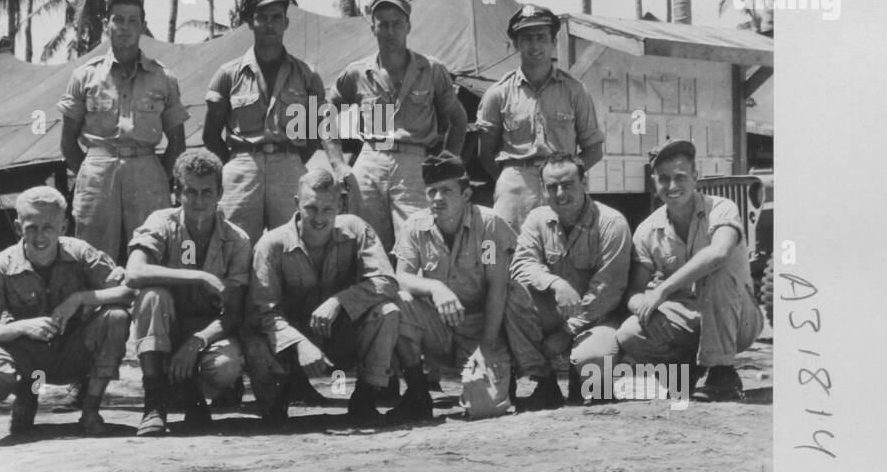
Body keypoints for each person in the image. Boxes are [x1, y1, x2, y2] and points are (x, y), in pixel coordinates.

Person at [0, 187, 132, 435]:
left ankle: (90, 409)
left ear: (63, 227)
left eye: (48, 227)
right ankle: (27, 396)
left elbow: (128, 292)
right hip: (31, 361)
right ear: (19, 227)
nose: (40, 236)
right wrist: (22, 327)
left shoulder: (81, 253)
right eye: (31, 227)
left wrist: (79, 299)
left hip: (76, 353)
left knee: (116, 316)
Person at [388, 153, 545, 422]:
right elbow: (400, 277)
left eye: (446, 191)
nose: (437, 198)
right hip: (439, 326)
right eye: (432, 191)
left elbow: (498, 289)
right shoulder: (415, 227)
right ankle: (416, 392)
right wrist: (436, 287)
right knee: (398, 302)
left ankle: (507, 378)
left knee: (483, 409)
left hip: (480, 330)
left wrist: (485, 346)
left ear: (466, 194)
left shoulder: (488, 225)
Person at [245, 167, 401, 425]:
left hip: (338, 337)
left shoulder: (356, 230)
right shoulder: (271, 245)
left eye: (328, 209)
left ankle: (365, 398)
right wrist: (300, 344)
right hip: (290, 346)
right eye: (311, 208)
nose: (319, 218)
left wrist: (339, 300)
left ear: (339, 205)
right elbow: (263, 313)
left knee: (387, 312)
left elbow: (387, 282)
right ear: (296, 203)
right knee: (254, 339)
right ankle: (278, 399)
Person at [614, 140, 764, 402]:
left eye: (680, 177)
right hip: (691, 318)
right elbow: (634, 292)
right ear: (654, 183)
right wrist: (646, 309)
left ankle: (722, 373)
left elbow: (718, 253)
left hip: (739, 317)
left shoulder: (721, 207)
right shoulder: (648, 230)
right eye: (664, 179)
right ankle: (687, 371)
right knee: (630, 332)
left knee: (713, 272)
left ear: (695, 177)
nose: (672, 186)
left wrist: (662, 290)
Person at [204, 0, 351, 244]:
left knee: (293, 243)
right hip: (242, 167)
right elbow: (211, 134)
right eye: (262, 17)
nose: (270, 24)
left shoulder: (306, 76)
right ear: (250, 21)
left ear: (286, 22)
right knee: (232, 244)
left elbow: (315, 131)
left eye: (276, 18)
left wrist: (291, 157)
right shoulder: (227, 75)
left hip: (289, 166)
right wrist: (237, 162)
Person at [122, 150, 252, 437]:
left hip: (207, 332)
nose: (199, 201)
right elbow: (134, 273)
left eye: (207, 192)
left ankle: (189, 390)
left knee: (225, 368)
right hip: (164, 327)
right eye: (190, 192)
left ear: (220, 193)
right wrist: (199, 275)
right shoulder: (162, 222)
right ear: (176, 192)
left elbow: (233, 313)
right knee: (152, 296)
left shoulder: (237, 240)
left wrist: (196, 342)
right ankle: (154, 403)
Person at [58, 0, 188, 263]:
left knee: (152, 252)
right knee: (93, 257)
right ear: (107, 24)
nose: (125, 27)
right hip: (97, 172)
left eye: (133, 20)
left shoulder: (163, 78)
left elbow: (178, 142)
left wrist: (157, 178)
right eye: (118, 19)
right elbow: (67, 142)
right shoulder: (84, 76)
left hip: (147, 173)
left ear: (142, 26)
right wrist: (91, 171)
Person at [328, 0, 468, 253]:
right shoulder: (358, 72)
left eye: (397, 24)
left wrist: (445, 165)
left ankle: (415, 293)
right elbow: (325, 111)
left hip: (414, 163)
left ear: (408, 27)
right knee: (366, 245)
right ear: (373, 29)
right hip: (370, 162)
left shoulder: (431, 69)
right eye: (383, 24)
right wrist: (337, 163)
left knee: (419, 243)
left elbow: (458, 121)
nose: (390, 31)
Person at [510, 153, 631, 406]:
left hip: (599, 318)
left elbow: (607, 291)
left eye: (568, 184)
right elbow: (521, 265)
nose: (561, 193)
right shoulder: (537, 219)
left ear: (584, 183)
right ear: (544, 189)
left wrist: (568, 331)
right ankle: (544, 383)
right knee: (513, 295)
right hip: (557, 311)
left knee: (594, 362)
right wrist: (556, 283)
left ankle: (583, 375)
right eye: (552, 187)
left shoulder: (611, 223)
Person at [476, 5, 604, 232]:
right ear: (516, 44)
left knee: (564, 251)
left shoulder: (575, 91)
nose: (534, 45)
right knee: (509, 253)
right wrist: (511, 176)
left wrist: (567, 176)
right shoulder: (498, 93)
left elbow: (593, 148)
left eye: (541, 37)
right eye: (526, 38)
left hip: (561, 184)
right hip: (516, 186)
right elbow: (485, 152)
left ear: (553, 42)